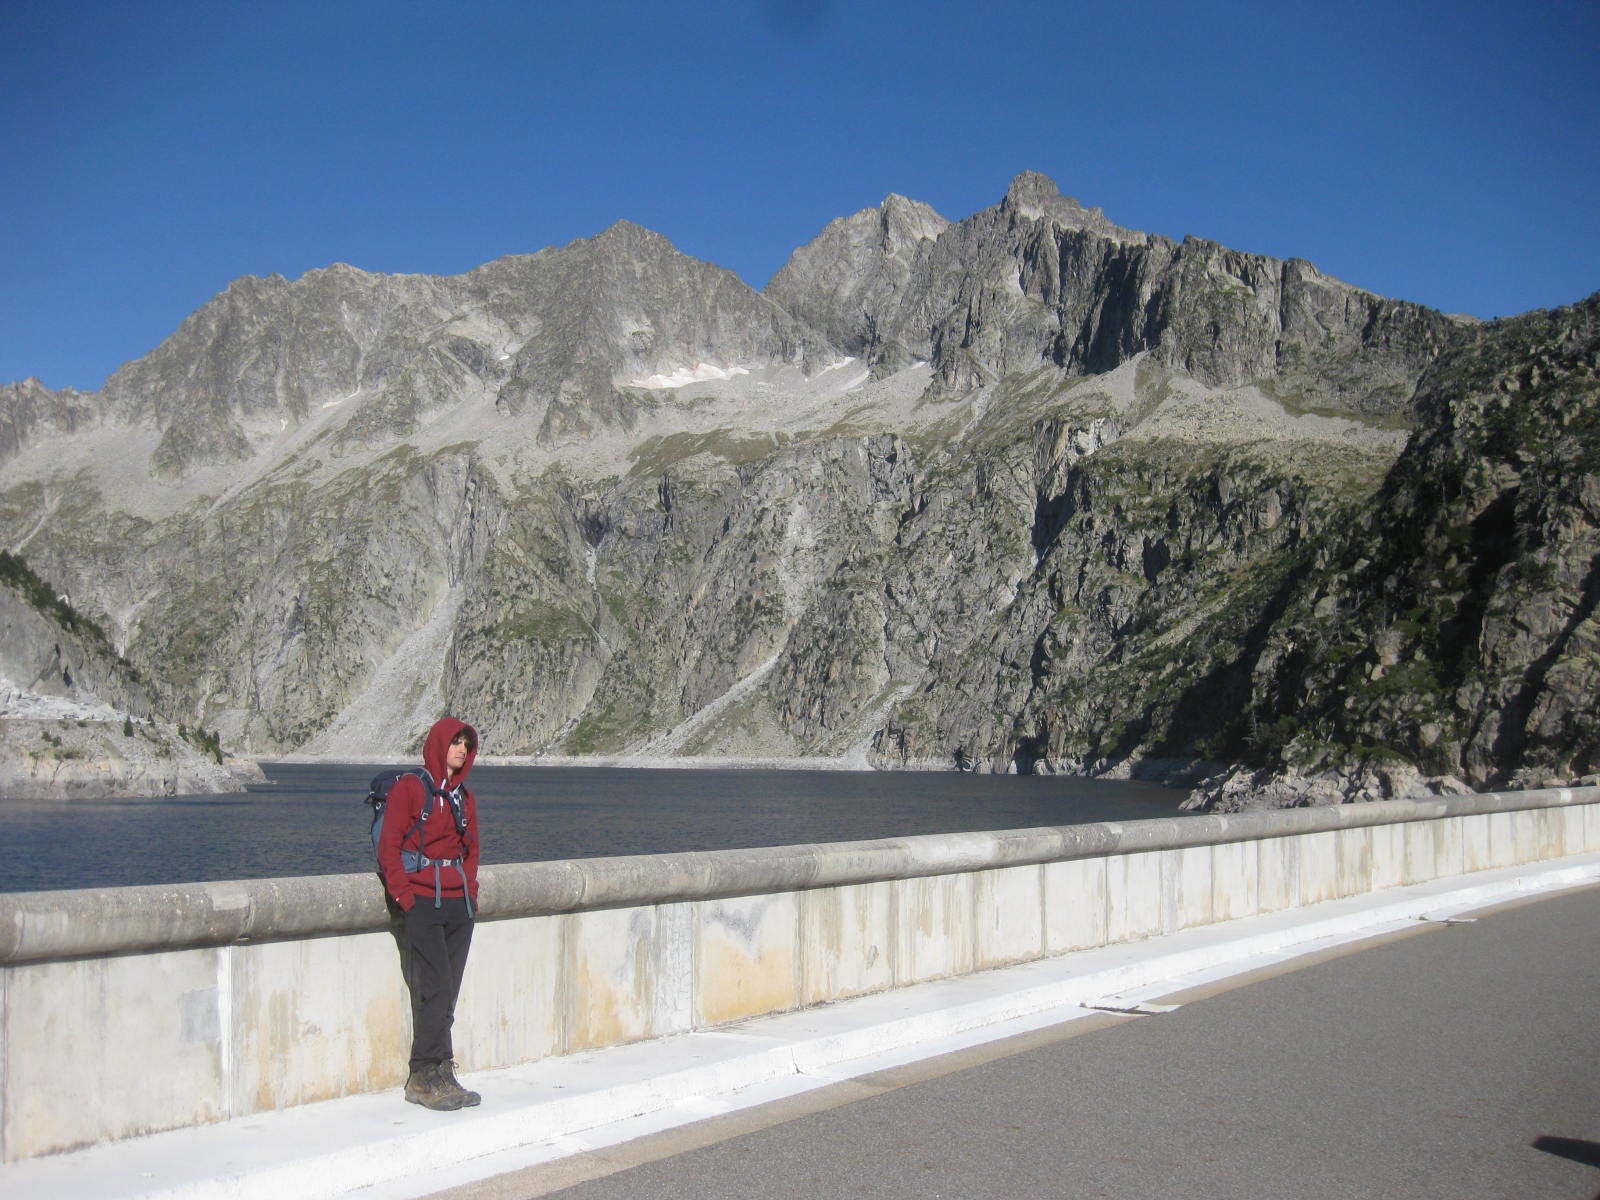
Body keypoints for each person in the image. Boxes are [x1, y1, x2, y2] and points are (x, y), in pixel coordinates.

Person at [379, 716, 482, 1111]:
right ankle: (421, 1074)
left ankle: (443, 1069)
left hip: (459, 905)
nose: (460, 749)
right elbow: (389, 848)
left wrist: (469, 893)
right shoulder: (411, 788)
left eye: (465, 744)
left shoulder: (465, 797)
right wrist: (406, 899)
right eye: (454, 742)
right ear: (439, 744)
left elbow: (472, 851)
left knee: (448, 992)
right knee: (434, 987)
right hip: (422, 902)